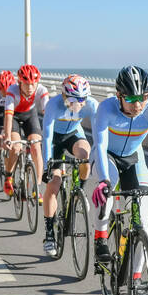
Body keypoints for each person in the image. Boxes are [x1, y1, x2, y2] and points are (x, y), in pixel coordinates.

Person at [88, 65, 148, 272]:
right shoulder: (106, 108)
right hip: (107, 156)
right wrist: (104, 180)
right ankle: (100, 238)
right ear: (119, 96)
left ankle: (137, 281)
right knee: (108, 192)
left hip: (135, 158)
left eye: (143, 97)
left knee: (142, 223)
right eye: (132, 99)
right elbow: (100, 145)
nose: (138, 105)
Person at [39, 75, 98, 256]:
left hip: (74, 134)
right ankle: (49, 233)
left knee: (85, 157)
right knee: (53, 184)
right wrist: (48, 165)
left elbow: (98, 138)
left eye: (82, 99)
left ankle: (78, 191)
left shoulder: (91, 105)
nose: (78, 104)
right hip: (55, 141)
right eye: (73, 99)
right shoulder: (53, 105)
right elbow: (47, 137)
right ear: (64, 95)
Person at [0, 64, 49, 198]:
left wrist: (50, 136)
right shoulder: (12, 91)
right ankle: (9, 176)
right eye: (26, 84)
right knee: (16, 147)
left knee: (36, 147)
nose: (30, 88)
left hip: (30, 115)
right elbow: (8, 116)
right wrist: (8, 137)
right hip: (14, 116)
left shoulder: (42, 90)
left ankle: (37, 187)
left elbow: (48, 115)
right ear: (19, 82)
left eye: (33, 84)